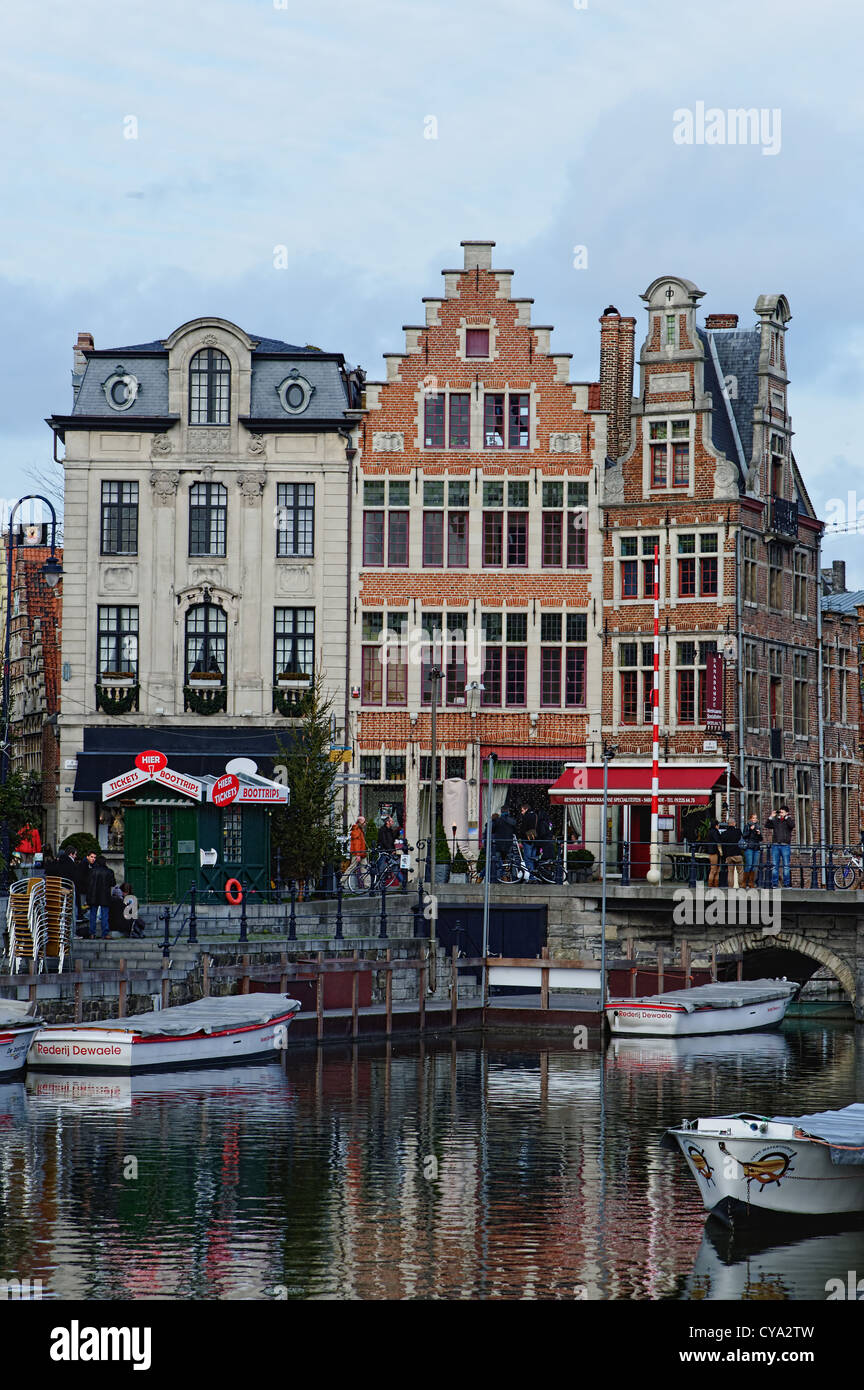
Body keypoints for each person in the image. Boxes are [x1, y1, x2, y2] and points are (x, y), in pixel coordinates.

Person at [87, 855, 116, 939]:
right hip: (105, 895)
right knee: (104, 915)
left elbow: (88, 883)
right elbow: (113, 883)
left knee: (93, 915)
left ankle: (92, 933)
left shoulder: (92, 871)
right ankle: (105, 933)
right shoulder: (109, 871)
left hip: (94, 895)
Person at [766, 805, 794, 887]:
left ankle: (786, 884)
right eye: (780, 812)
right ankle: (774, 883)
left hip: (785, 845)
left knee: (786, 866)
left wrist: (786, 817)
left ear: (786, 813)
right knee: (775, 866)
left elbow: (792, 825)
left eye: (782, 812)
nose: (781, 813)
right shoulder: (776, 821)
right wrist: (771, 816)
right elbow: (767, 825)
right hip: (775, 845)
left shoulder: (788, 820)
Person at [718, 815, 743, 889]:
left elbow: (722, 845)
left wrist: (724, 855)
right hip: (737, 854)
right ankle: (741, 886)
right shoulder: (738, 831)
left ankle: (730, 887)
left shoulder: (724, 833)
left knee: (730, 872)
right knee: (740, 871)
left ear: (728, 824)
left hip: (729, 855)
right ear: (734, 823)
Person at [343, 815, 367, 884]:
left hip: (361, 853)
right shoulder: (357, 831)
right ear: (360, 823)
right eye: (364, 822)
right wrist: (358, 854)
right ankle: (341, 882)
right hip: (359, 853)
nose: (365, 824)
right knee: (352, 868)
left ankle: (368, 885)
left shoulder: (359, 830)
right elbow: (356, 844)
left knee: (364, 868)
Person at [741, 815, 763, 888]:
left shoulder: (758, 827)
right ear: (750, 819)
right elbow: (744, 836)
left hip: (756, 847)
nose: (755, 819)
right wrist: (750, 830)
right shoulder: (747, 826)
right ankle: (744, 882)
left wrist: (759, 834)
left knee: (754, 866)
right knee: (749, 865)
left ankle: (751, 883)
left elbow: (761, 839)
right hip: (749, 847)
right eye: (753, 818)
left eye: (756, 818)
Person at [518, 803, 538, 872]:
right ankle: (533, 874)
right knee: (532, 858)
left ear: (526, 809)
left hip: (527, 840)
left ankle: (530, 876)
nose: (522, 812)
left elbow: (523, 829)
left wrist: (520, 835)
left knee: (527, 859)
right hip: (535, 839)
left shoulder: (526, 816)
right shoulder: (535, 815)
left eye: (522, 810)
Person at [705, 817, 722, 888]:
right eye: (718, 825)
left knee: (715, 869)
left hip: (711, 851)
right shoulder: (715, 832)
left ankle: (713, 884)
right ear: (716, 825)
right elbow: (718, 841)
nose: (719, 826)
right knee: (714, 869)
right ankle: (712, 884)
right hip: (714, 852)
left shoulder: (709, 831)